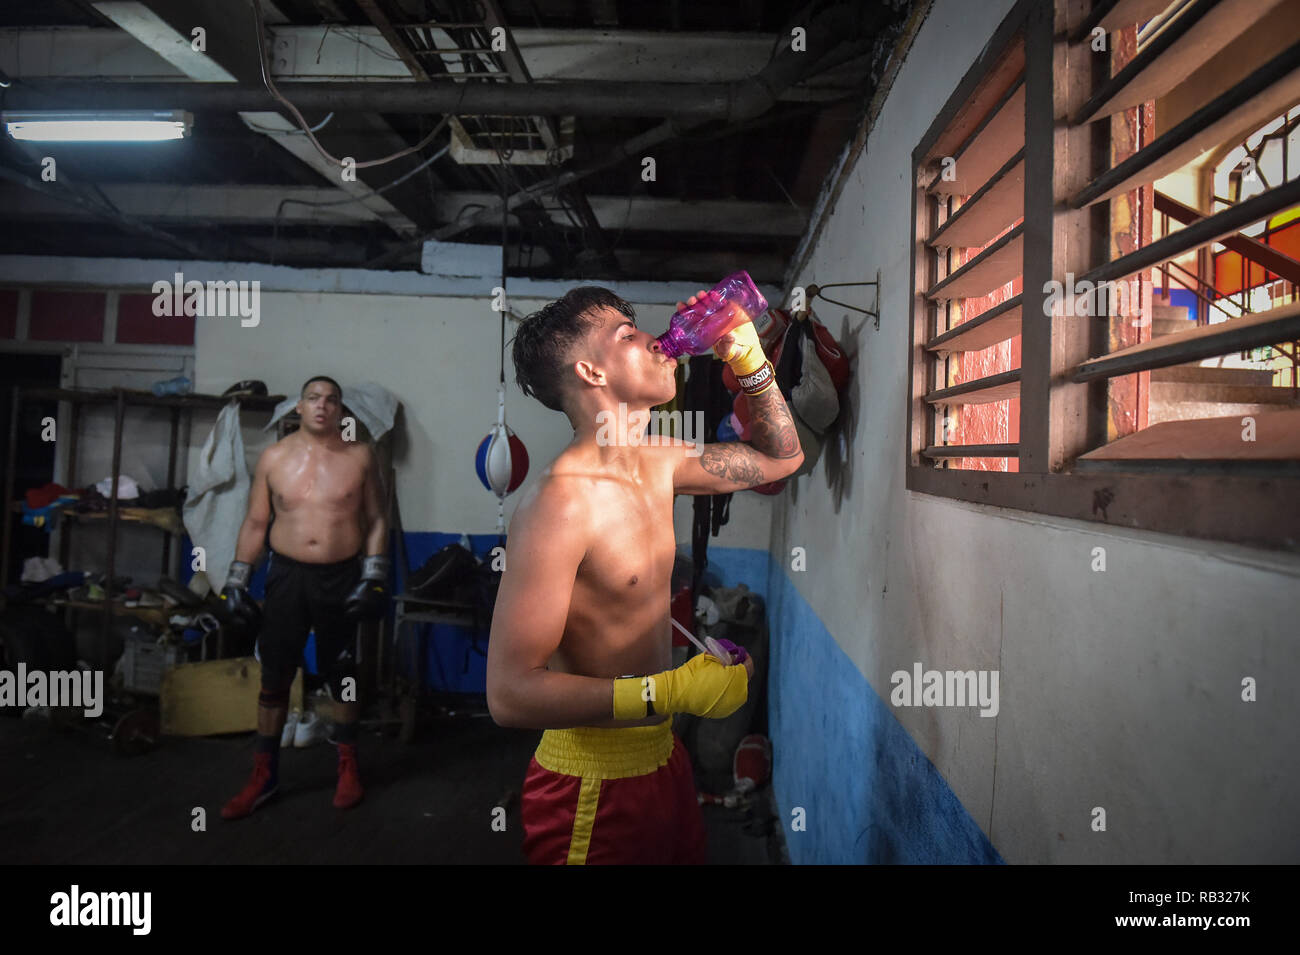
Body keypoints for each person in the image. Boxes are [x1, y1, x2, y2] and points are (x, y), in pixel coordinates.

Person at [487, 287, 802, 864]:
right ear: (589, 371)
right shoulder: (559, 503)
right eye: (627, 336)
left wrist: (752, 364)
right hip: (590, 783)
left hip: (662, 758)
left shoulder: (660, 459)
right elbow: (509, 695)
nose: (658, 340)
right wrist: (672, 689)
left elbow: (781, 459)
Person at [219, 375, 389, 819]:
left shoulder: (360, 456)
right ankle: (264, 776)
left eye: (332, 400)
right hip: (287, 577)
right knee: (274, 676)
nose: (322, 406)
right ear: (299, 406)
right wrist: (237, 580)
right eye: (314, 398)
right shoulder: (274, 458)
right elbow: (256, 523)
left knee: (343, 675)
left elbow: (375, 520)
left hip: (342, 575)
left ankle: (348, 765)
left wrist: (373, 577)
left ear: (340, 410)